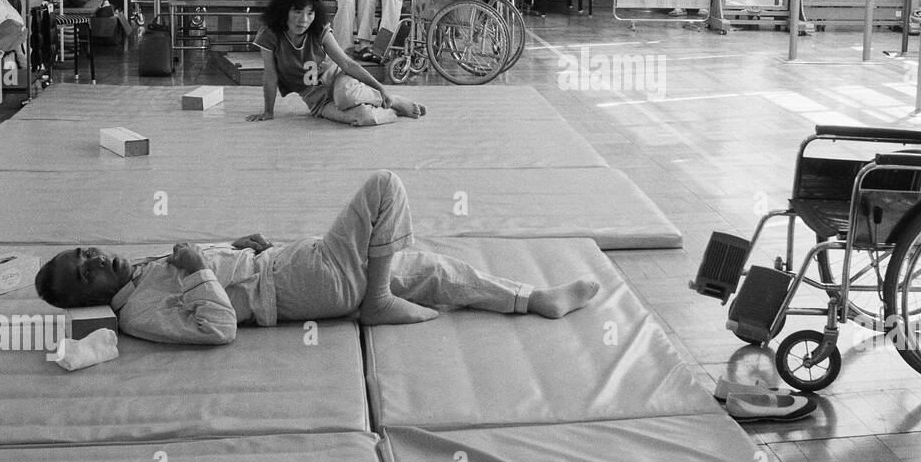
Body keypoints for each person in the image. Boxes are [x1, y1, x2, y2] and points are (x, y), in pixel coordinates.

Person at [33, 170, 602, 343]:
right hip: (305, 286)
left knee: (433, 271)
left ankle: (533, 300)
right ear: (87, 298)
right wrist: (201, 268)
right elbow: (219, 327)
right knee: (385, 188)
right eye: (85, 272)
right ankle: (374, 299)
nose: (96, 259)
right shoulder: (135, 314)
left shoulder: (143, 269)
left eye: (85, 251)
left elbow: (214, 281)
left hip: (289, 266)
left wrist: (241, 251)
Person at [247, 0, 424, 126]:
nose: (304, 20)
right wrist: (268, 111)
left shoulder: (318, 30)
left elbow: (347, 64)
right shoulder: (270, 34)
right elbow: (270, 74)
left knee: (345, 97)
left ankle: (391, 99)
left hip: (338, 79)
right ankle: (392, 108)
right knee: (364, 118)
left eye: (310, 13)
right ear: (284, 11)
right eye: (297, 12)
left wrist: (381, 88)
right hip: (317, 100)